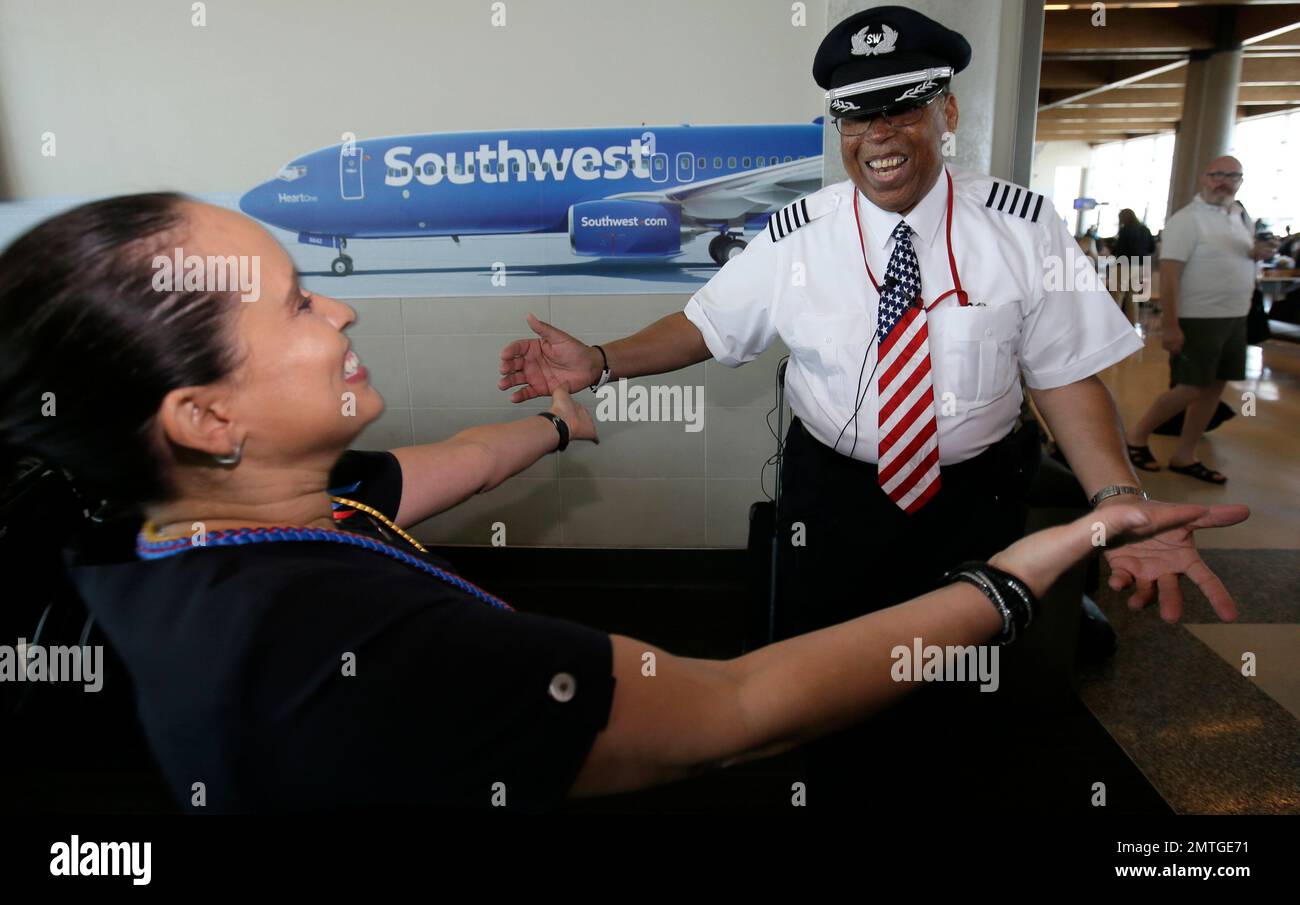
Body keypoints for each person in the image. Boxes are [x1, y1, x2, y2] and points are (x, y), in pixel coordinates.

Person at [0, 193, 1217, 813]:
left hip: (970, 491)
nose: (344, 311)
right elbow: (736, 701)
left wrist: (564, 410)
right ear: (204, 421)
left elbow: (460, 461)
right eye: (298, 305)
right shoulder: (351, 643)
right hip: (877, 514)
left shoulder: (171, 522)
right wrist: (1037, 564)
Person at [498, 7, 1247, 639]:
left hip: (976, 498)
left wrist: (1119, 502)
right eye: (857, 114)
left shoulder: (1024, 228)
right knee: (821, 659)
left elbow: (1063, 379)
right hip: (833, 495)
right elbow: (706, 325)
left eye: (903, 107)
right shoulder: (797, 231)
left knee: (967, 666)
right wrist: (598, 361)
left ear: (946, 113)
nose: (878, 133)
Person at [1125, 156, 1280, 484]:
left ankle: (1186, 453)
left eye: (1232, 175)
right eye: (1217, 174)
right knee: (1190, 386)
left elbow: (1241, 256)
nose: (1223, 181)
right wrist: (1171, 323)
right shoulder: (1187, 220)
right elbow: (1169, 275)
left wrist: (1257, 253)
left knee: (1214, 387)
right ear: (1203, 178)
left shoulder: (1239, 216)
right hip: (1199, 317)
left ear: (1240, 180)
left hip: (1236, 315)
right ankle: (1136, 437)